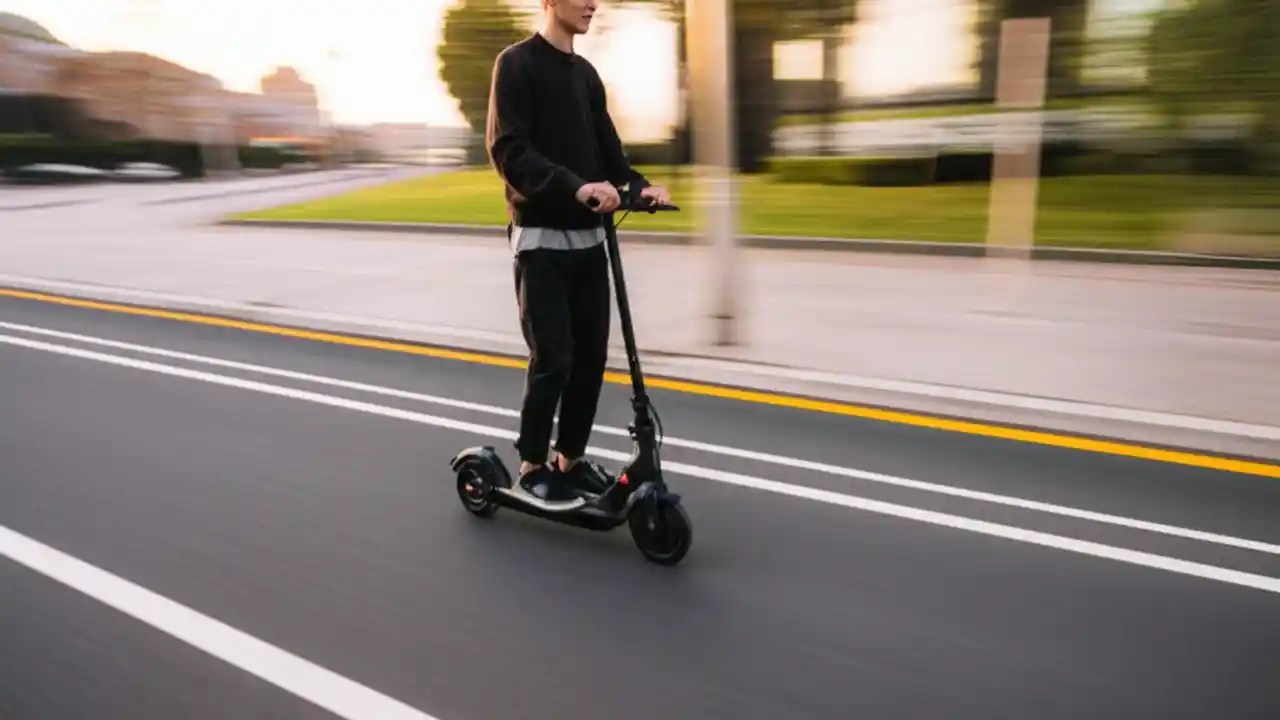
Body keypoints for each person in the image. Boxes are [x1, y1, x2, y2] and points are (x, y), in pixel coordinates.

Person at [486, 0, 671, 499]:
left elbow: (609, 155)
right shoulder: (517, 64)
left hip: (591, 242)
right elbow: (510, 150)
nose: (592, 3)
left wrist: (637, 186)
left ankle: (568, 460)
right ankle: (531, 464)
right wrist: (574, 187)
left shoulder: (586, 76)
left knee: (590, 358)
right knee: (554, 359)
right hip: (541, 241)